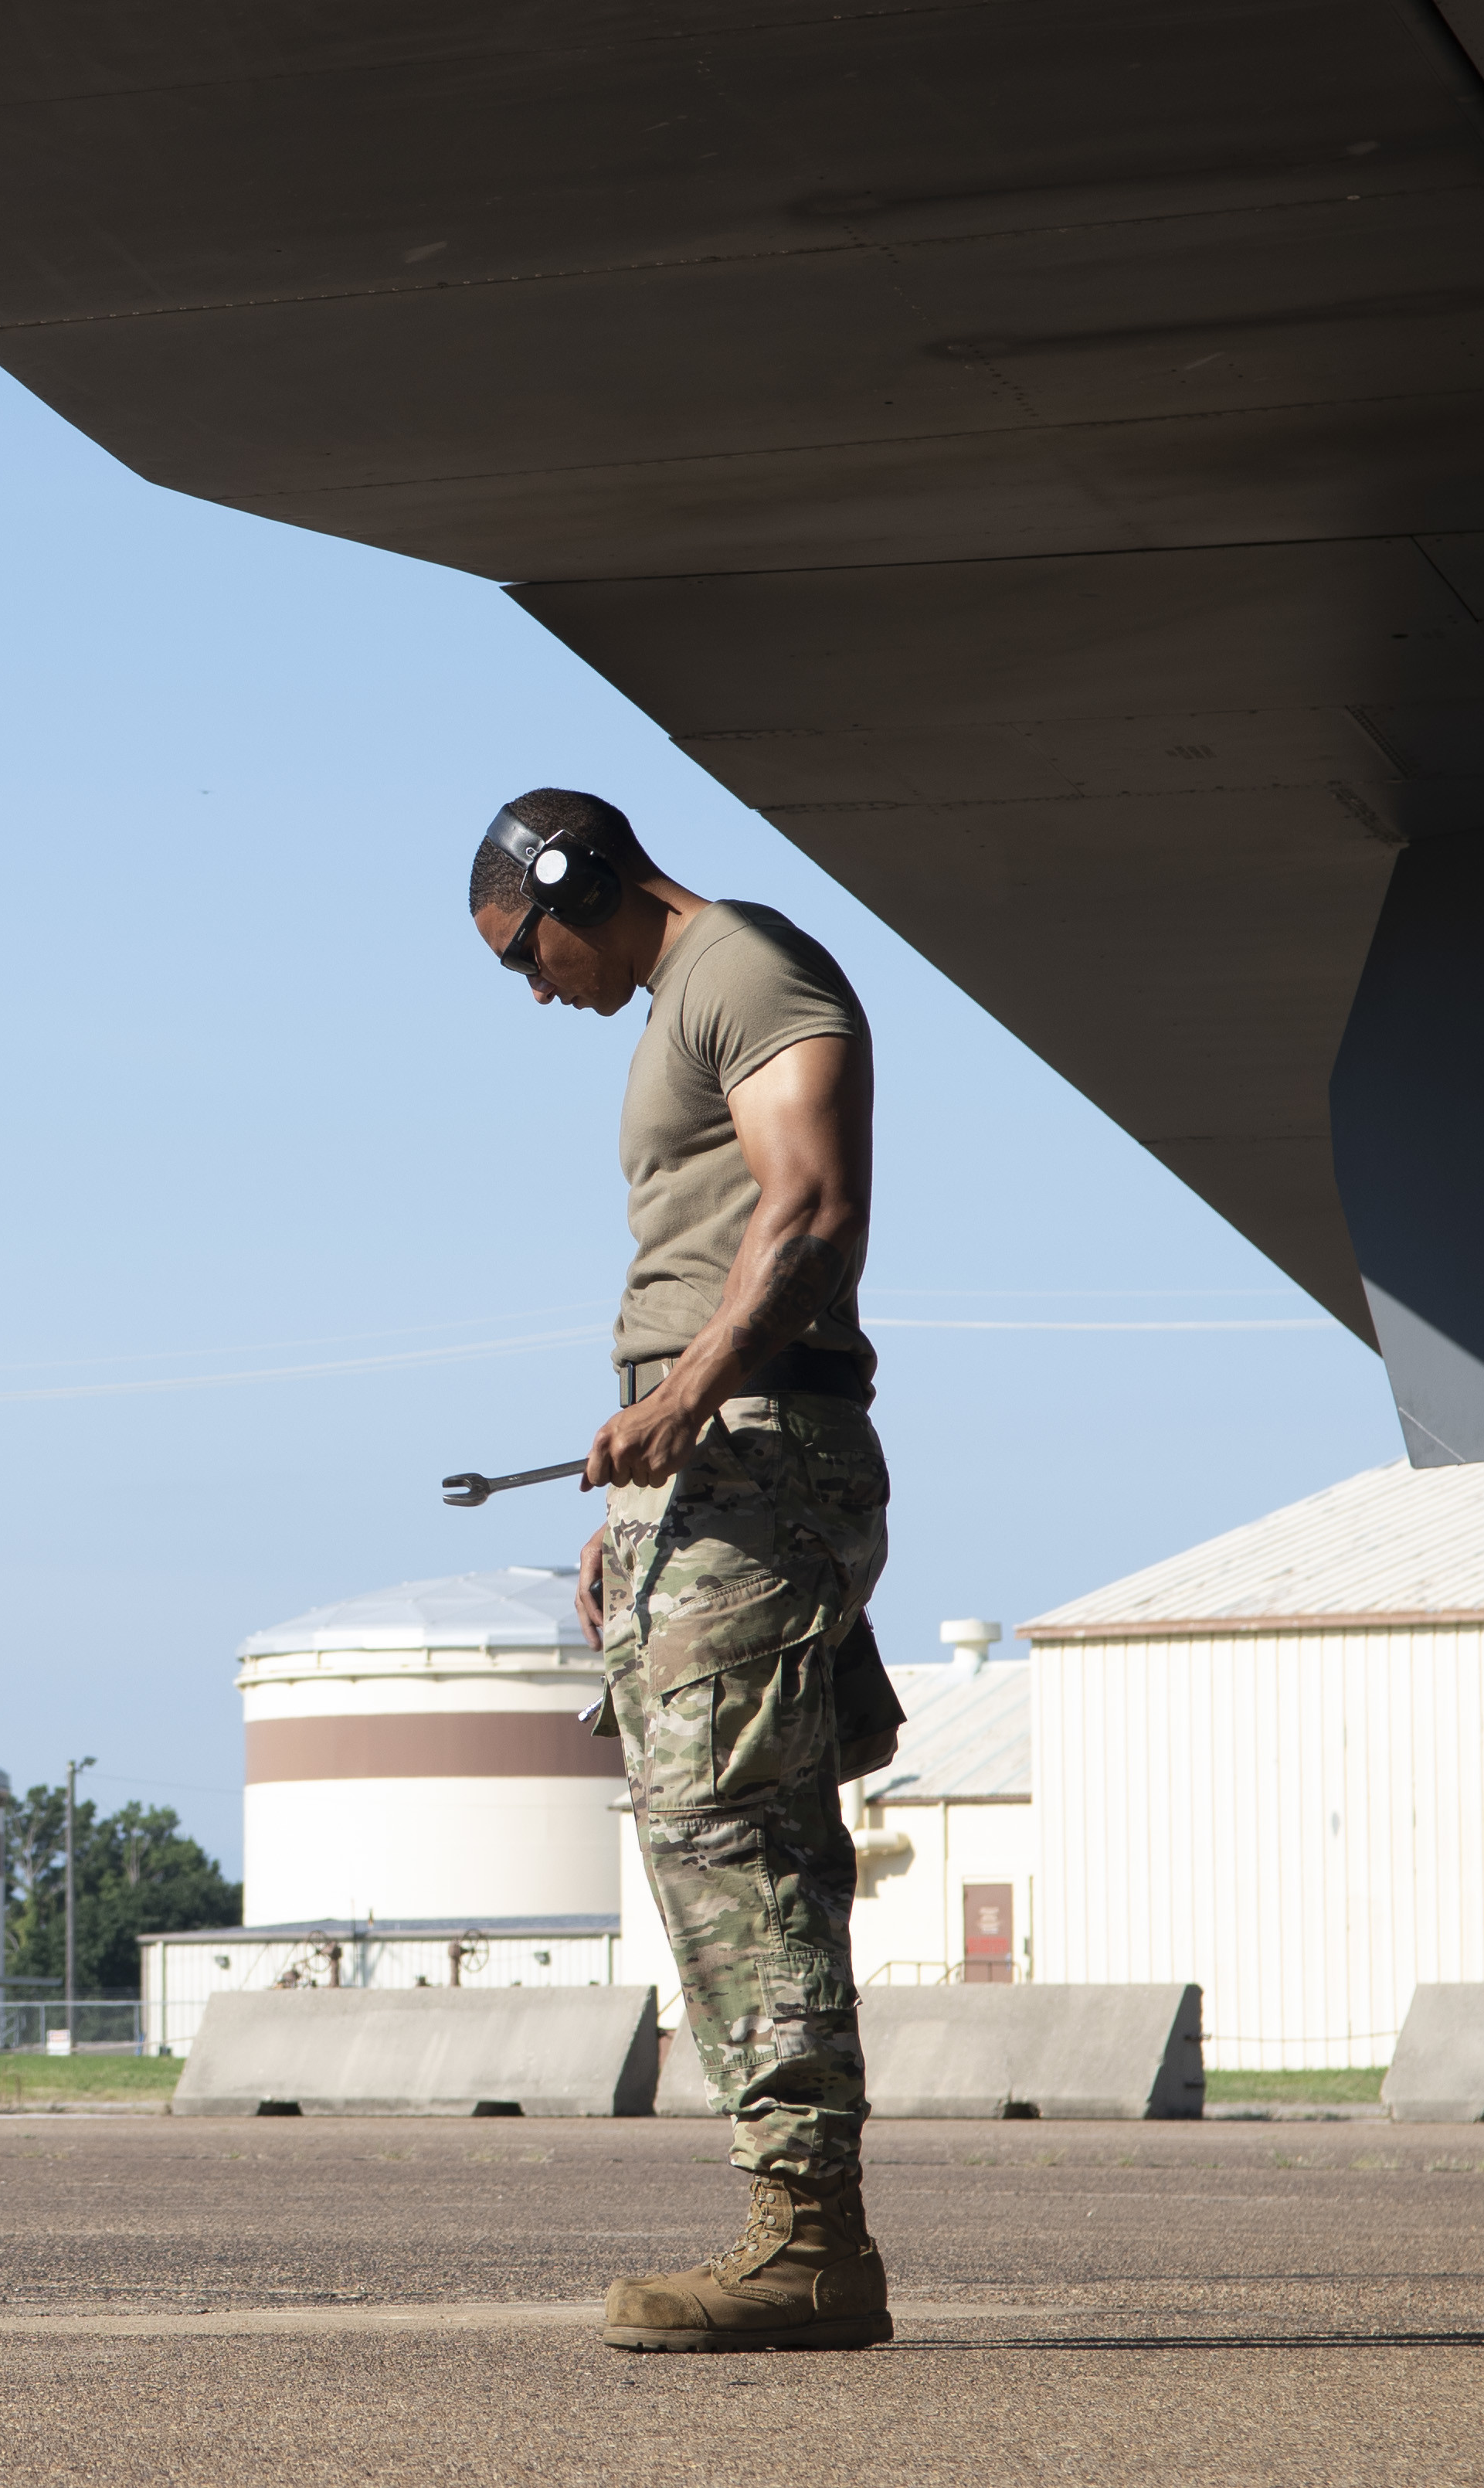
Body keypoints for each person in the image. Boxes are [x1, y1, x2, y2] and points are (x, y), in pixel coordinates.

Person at [467, 787, 892, 2354]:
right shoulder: (687, 998)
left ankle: (806, 2243)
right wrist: (651, 1474)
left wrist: (689, 1396)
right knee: (730, 1829)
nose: (531, 989)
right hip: (721, 1459)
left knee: (732, 1835)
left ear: (573, 884)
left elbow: (811, 1205)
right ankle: (805, 2234)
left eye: (523, 951)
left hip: (755, 1444)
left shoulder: (744, 967)